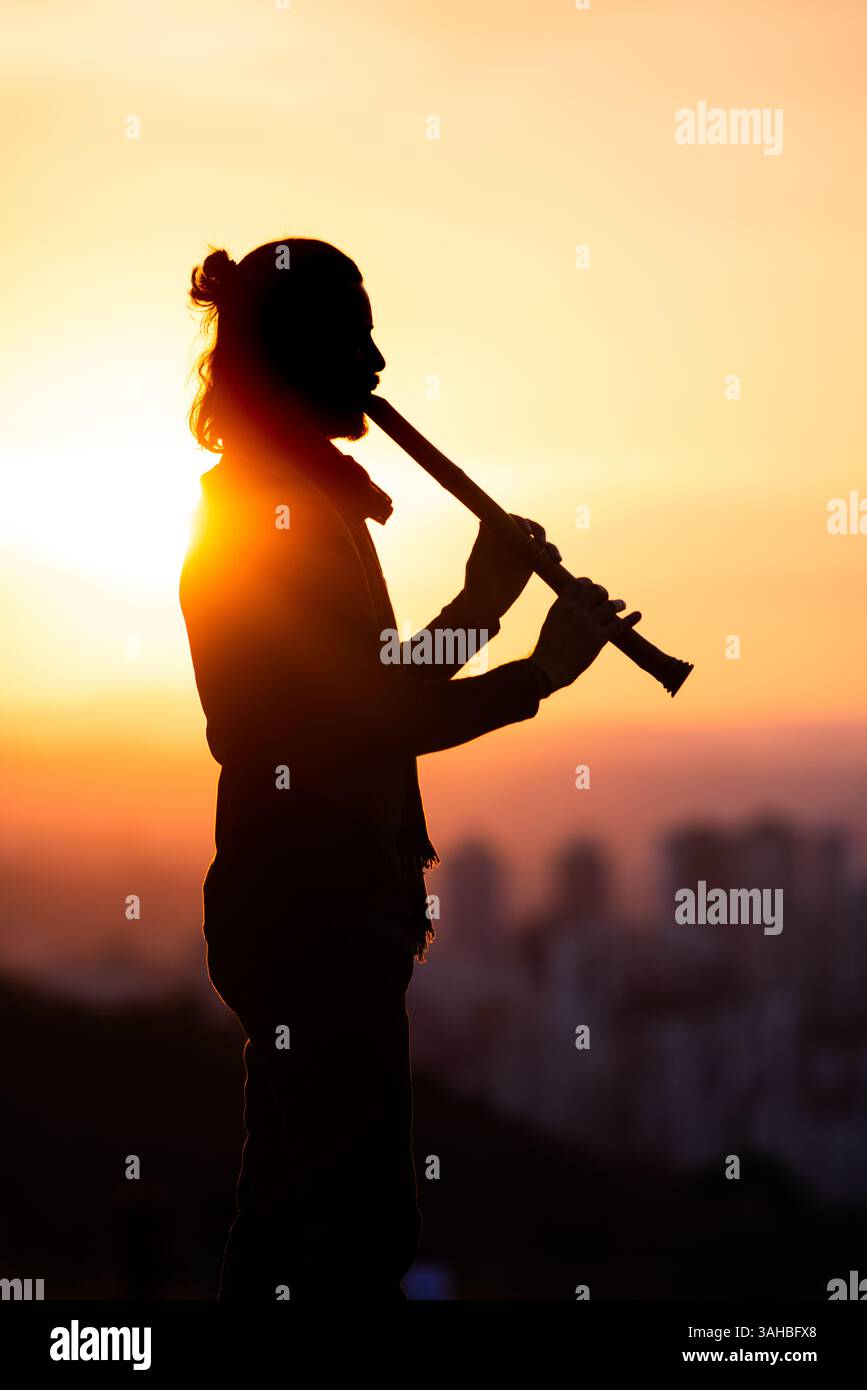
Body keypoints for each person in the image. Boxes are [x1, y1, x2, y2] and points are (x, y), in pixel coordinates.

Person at [179, 237, 639, 1299]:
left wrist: (486, 606)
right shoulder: (268, 520)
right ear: (298, 357)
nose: (379, 362)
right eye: (354, 338)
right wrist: (532, 664)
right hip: (310, 910)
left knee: (334, 1212)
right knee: (327, 1219)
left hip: (324, 904)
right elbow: (370, 714)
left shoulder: (303, 504)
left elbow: (367, 683)